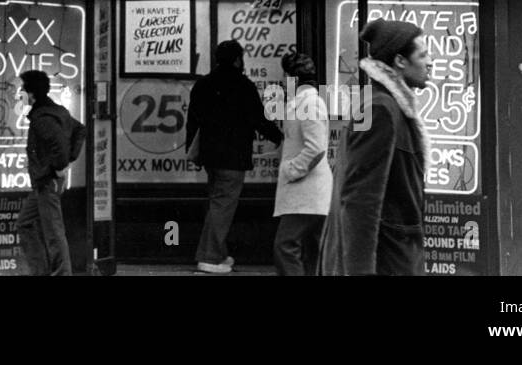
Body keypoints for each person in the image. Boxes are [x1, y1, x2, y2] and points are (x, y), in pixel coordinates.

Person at [320, 20, 431, 276]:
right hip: (387, 261)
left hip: (392, 256)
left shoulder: (386, 105)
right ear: (400, 61)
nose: (430, 62)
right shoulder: (380, 108)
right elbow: (359, 201)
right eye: (423, 55)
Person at [185, 39, 283, 274]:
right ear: (238, 59)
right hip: (233, 157)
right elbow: (259, 118)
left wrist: (193, 152)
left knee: (217, 203)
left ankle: (218, 254)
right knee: (223, 206)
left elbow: (192, 121)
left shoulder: (203, 84)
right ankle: (208, 257)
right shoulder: (244, 85)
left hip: (210, 156)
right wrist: (279, 136)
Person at [16, 69, 86, 276]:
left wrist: (57, 167)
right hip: (44, 182)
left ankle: (60, 273)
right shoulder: (55, 111)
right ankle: (42, 271)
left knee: (54, 232)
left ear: (32, 93)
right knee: (25, 223)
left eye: (23, 89)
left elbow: (60, 152)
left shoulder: (43, 118)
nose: (20, 92)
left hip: (47, 182)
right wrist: (63, 163)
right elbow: (79, 129)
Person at [272, 51, 332, 276]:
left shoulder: (308, 103)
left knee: (285, 246)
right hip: (310, 192)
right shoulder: (306, 101)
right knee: (310, 251)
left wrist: (292, 170)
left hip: (306, 190)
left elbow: (316, 147)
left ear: (292, 78)